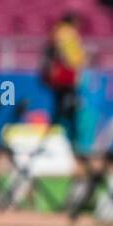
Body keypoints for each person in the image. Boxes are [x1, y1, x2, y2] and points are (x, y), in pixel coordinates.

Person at [42, 12, 86, 147]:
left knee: (61, 109)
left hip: (60, 79)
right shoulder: (66, 34)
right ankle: (70, 141)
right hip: (65, 78)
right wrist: (76, 74)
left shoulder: (57, 33)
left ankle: (55, 139)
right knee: (67, 110)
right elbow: (72, 58)